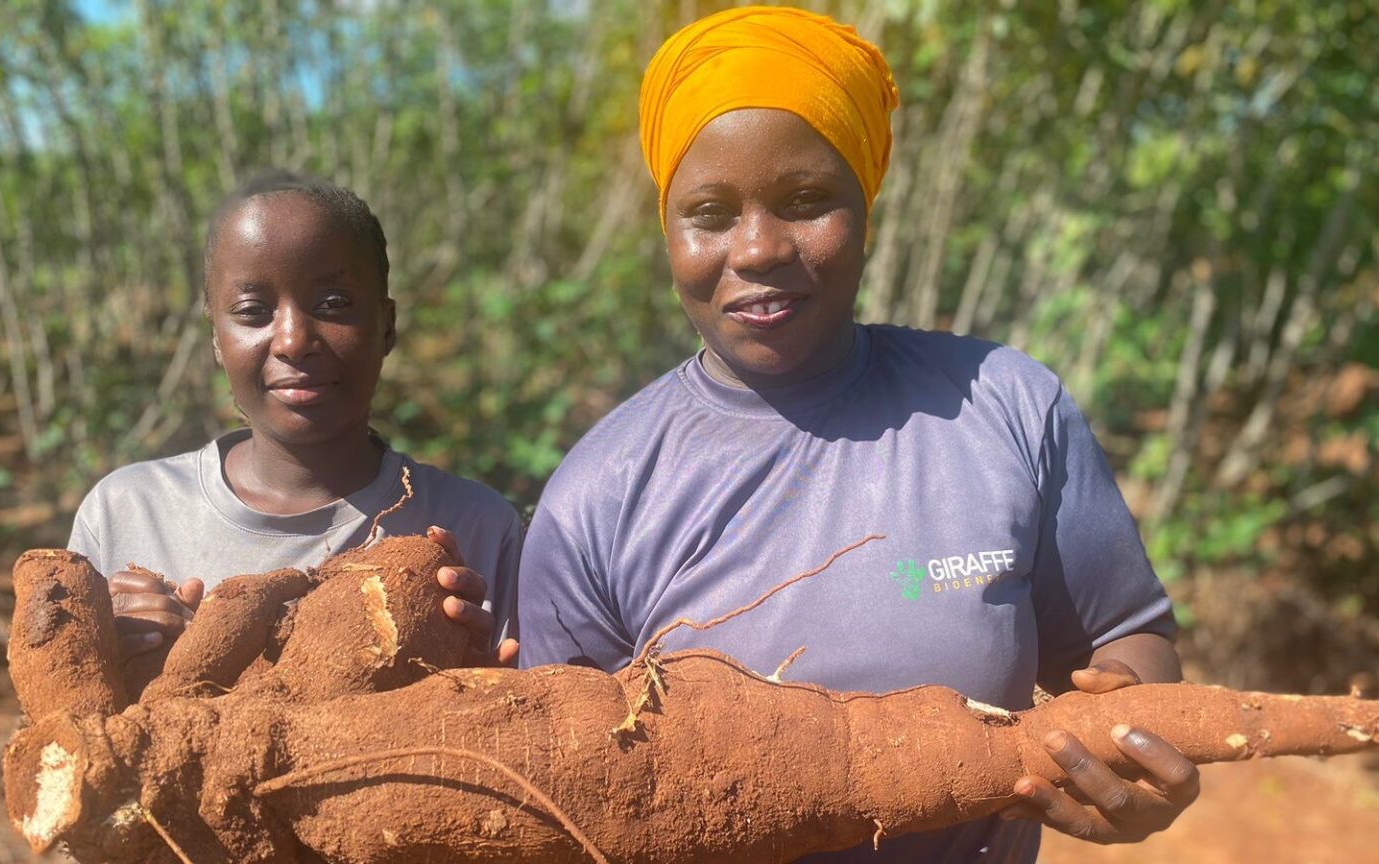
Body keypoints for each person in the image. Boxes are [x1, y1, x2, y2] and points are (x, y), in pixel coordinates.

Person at [518, 7, 1196, 862]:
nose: (760, 247)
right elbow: (560, 787)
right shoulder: (599, 496)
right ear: (667, 230)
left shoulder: (1005, 408)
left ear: (866, 205)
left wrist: (1132, 723)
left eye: (806, 201)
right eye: (711, 212)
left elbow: (1122, 635)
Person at [69, 172, 520, 669]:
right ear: (217, 339)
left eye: (332, 305)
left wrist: (476, 683)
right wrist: (119, 654)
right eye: (253, 311)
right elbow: (64, 723)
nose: (291, 339)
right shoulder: (129, 513)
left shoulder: (475, 529)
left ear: (386, 326)